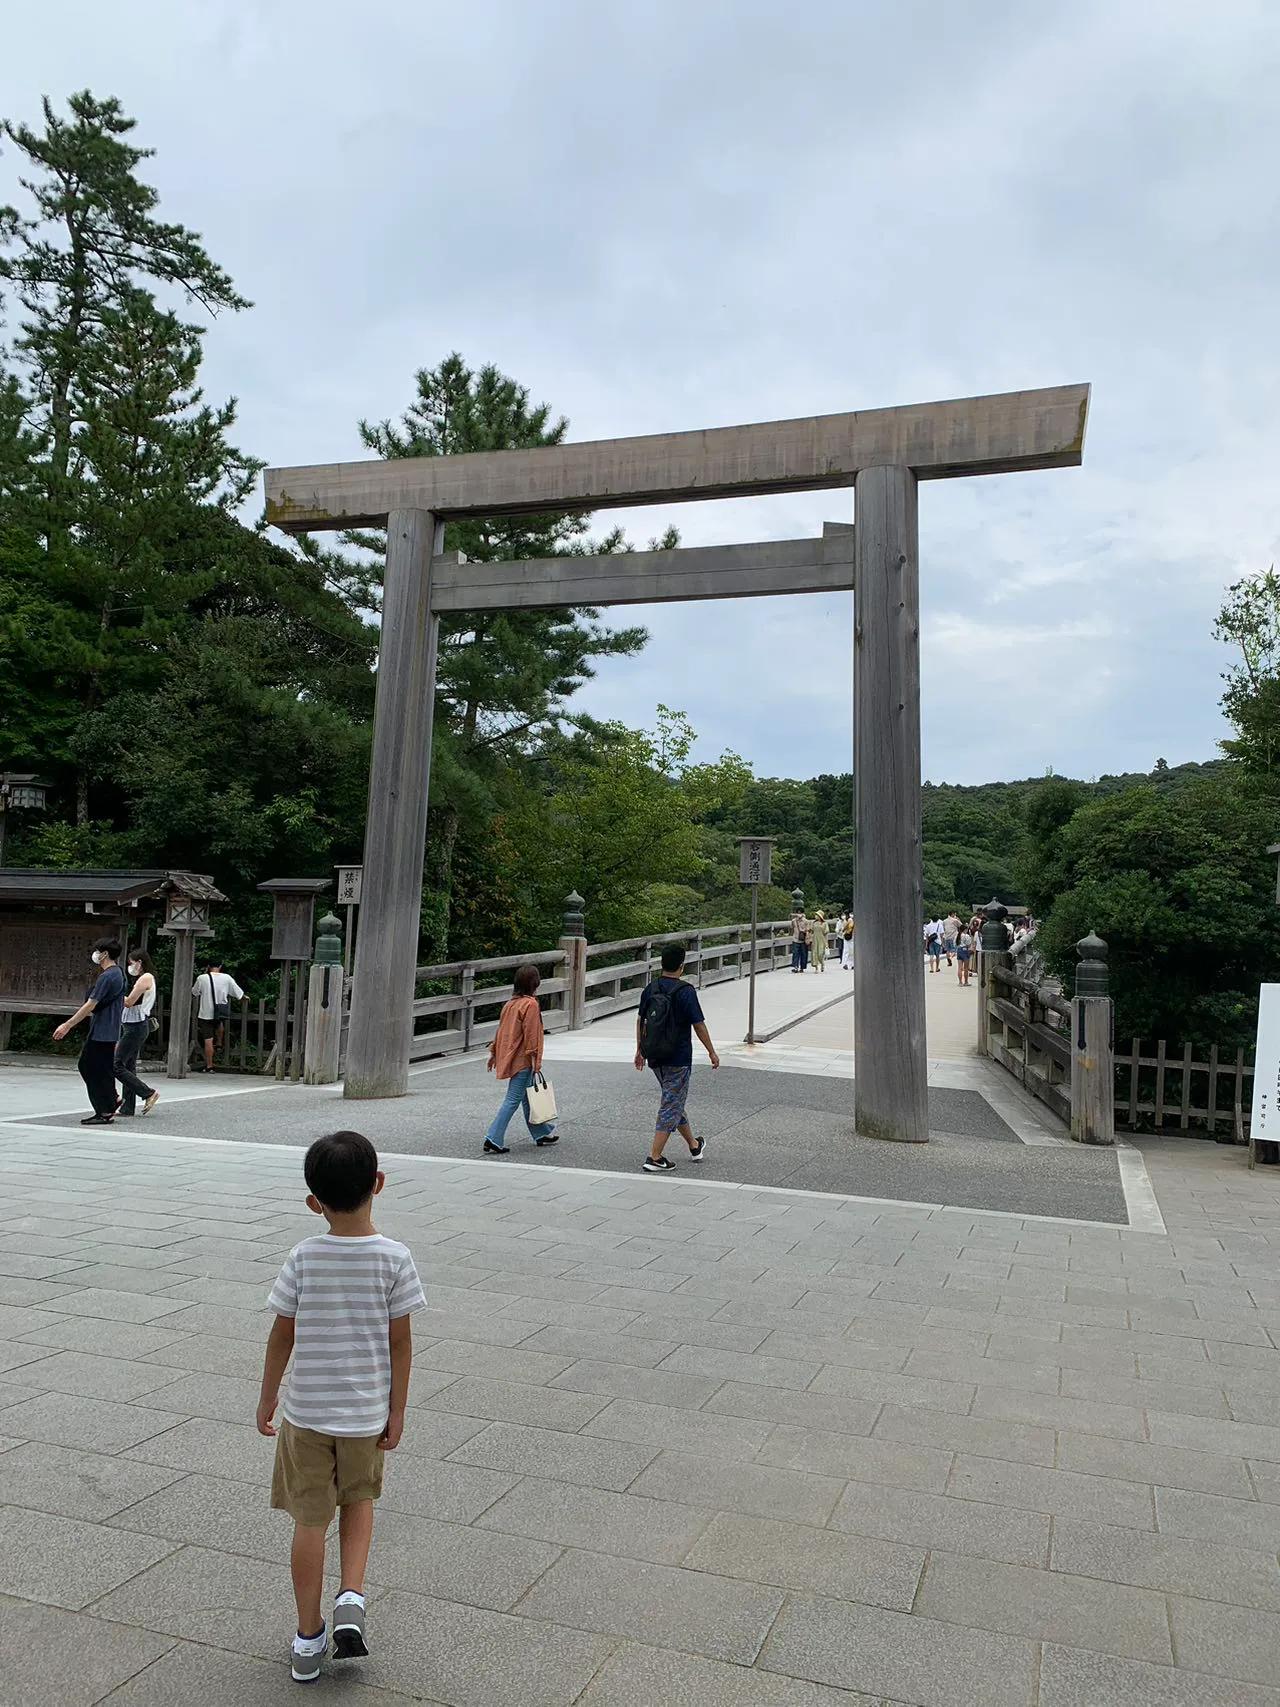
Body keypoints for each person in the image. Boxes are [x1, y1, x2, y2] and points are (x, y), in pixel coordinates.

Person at [257, 1131, 425, 1683]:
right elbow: (401, 1343)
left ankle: (308, 1640)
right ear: (378, 1184)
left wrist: (267, 1396)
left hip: (306, 1416)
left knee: (309, 1522)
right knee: (359, 1501)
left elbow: (281, 1334)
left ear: (314, 1202)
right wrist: (397, 1411)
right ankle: (351, 1596)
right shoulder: (395, 1259)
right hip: (365, 1416)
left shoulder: (303, 1256)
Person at [635, 940, 719, 1173]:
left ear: (661, 964)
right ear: (681, 966)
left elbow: (641, 1020)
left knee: (674, 1099)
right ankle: (654, 1157)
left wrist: (640, 1049)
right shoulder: (686, 991)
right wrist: (711, 1051)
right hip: (678, 1057)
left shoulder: (650, 989)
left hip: (655, 1056)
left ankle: (694, 1145)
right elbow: (698, 1025)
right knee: (671, 1103)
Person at [482, 963, 559, 1155]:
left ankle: (541, 1132)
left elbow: (501, 1031)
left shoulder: (511, 1004)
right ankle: (493, 1137)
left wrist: (494, 1053)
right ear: (535, 983)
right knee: (513, 1099)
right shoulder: (530, 1004)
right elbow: (532, 1035)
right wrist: (536, 1061)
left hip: (511, 1057)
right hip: (523, 1060)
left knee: (527, 1097)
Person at [52, 937, 125, 1125]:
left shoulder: (108, 976)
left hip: (102, 1031)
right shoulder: (119, 973)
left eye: (97, 951)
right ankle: (112, 1098)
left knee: (89, 1066)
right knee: (102, 1068)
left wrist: (67, 1025)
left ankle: (104, 1110)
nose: (95, 954)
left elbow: (90, 1005)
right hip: (108, 1030)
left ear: (105, 954)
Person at [115, 948, 160, 1118]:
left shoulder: (146, 978)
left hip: (136, 1026)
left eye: (131, 962)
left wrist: (112, 993)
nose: (130, 966)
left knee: (116, 1064)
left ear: (139, 962)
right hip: (132, 1025)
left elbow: (129, 1002)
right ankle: (127, 1107)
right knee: (128, 1066)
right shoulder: (142, 978)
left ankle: (148, 1093)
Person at [193, 957, 245, 1073]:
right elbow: (238, 993)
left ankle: (210, 1065)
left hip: (205, 1013)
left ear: (208, 966)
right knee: (219, 1023)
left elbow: (195, 992)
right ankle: (220, 1042)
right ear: (220, 966)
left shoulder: (202, 978)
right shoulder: (227, 978)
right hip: (219, 1011)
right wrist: (244, 998)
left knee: (208, 1040)